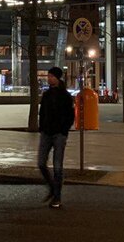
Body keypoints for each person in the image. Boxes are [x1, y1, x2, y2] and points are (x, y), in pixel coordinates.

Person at [38, 66, 75, 209]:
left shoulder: (65, 96)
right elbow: (42, 113)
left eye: (51, 76)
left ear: (57, 78)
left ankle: (57, 197)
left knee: (57, 166)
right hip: (46, 133)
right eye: (48, 76)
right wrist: (42, 128)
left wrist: (64, 130)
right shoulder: (46, 95)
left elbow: (71, 115)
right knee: (41, 163)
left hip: (59, 134)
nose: (49, 78)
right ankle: (53, 187)